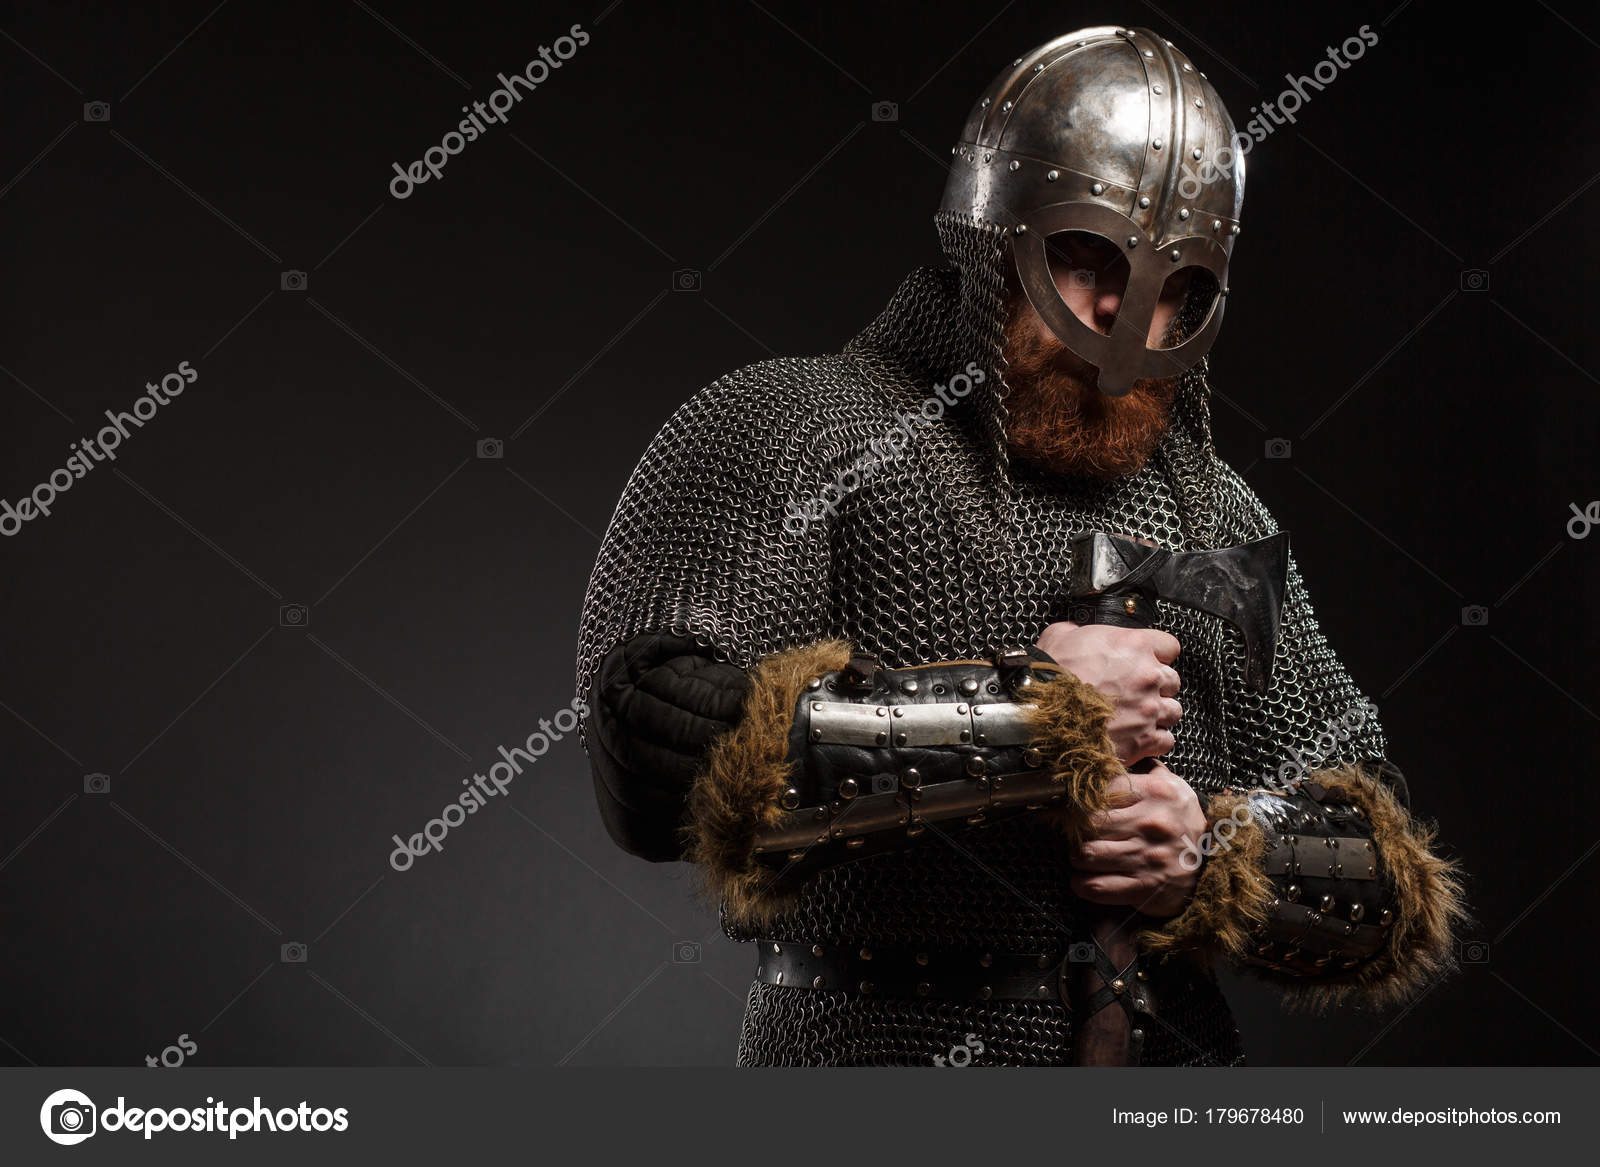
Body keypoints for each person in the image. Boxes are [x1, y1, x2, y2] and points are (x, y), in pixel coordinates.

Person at [574, 26, 1465, 1066]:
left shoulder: (1217, 513)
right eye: (1086, 259)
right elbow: (649, 750)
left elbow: (1382, 875)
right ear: (988, 243)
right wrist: (1025, 718)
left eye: (1179, 287)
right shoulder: (801, 430)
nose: (1123, 321)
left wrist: (1212, 854)